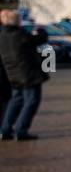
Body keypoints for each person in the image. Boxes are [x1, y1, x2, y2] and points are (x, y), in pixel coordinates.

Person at [0, 10, 49, 141]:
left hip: (13, 73)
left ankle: (5, 129)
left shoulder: (3, 35)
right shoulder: (18, 35)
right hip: (27, 74)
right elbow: (40, 39)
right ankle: (21, 129)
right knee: (31, 101)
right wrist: (41, 31)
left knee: (16, 100)